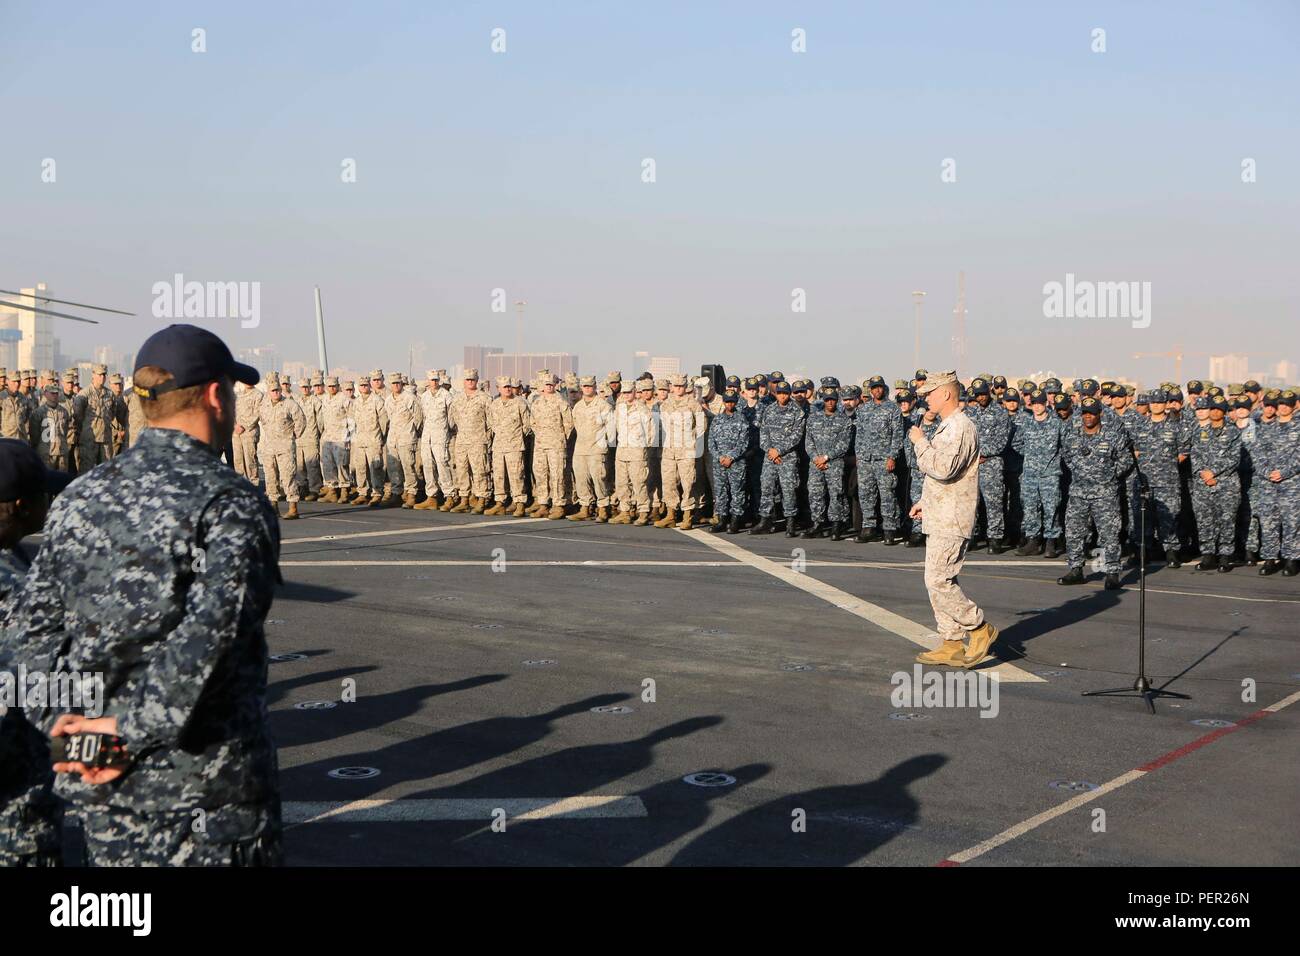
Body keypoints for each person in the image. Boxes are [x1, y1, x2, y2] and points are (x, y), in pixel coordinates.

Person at [8, 324, 283, 866]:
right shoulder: (231, 503)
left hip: (103, 792)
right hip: (206, 803)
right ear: (214, 394)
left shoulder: (79, 496)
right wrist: (126, 733)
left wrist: (65, 726)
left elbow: (29, 632)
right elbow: (211, 642)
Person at [0, 439, 71, 866]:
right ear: (23, 505)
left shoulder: (15, 559)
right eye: (46, 495)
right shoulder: (11, 587)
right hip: (15, 810)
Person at [908, 371, 999, 668]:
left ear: (946, 394)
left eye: (931, 393)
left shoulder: (960, 426)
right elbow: (948, 477)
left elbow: (944, 468)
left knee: (937, 579)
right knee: (940, 578)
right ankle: (950, 641)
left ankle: (979, 628)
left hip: (952, 517)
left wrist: (920, 442)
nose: (927, 399)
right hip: (942, 512)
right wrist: (926, 502)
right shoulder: (949, 426)